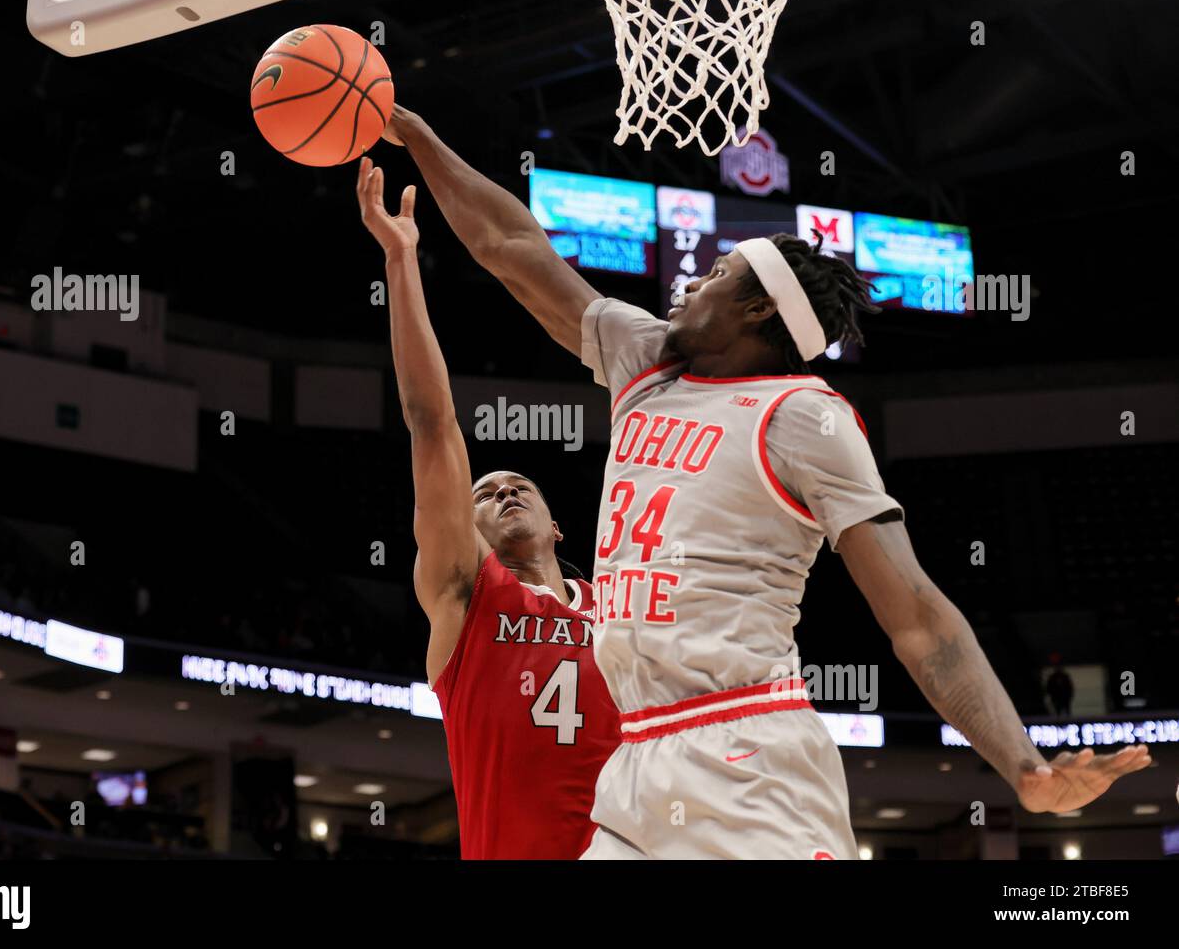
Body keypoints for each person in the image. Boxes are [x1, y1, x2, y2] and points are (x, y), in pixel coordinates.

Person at [378, 105, 1153, 859]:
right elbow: (512, 245)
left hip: (746, 755)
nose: (690, 282)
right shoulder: (645, 364)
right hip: (636, 763)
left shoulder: (804, 416)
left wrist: (1023, 765)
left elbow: (918, 615)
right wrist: (418, 135)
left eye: (717, 272)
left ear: (755, 309)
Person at [355, 157, 619, 859]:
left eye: (519, 487)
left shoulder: (620, 609)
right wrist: (402, 258)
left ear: (558, 527)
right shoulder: (466, 594)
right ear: (462, 533)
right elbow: (431, 423)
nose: (502, 491)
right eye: (484, 493)